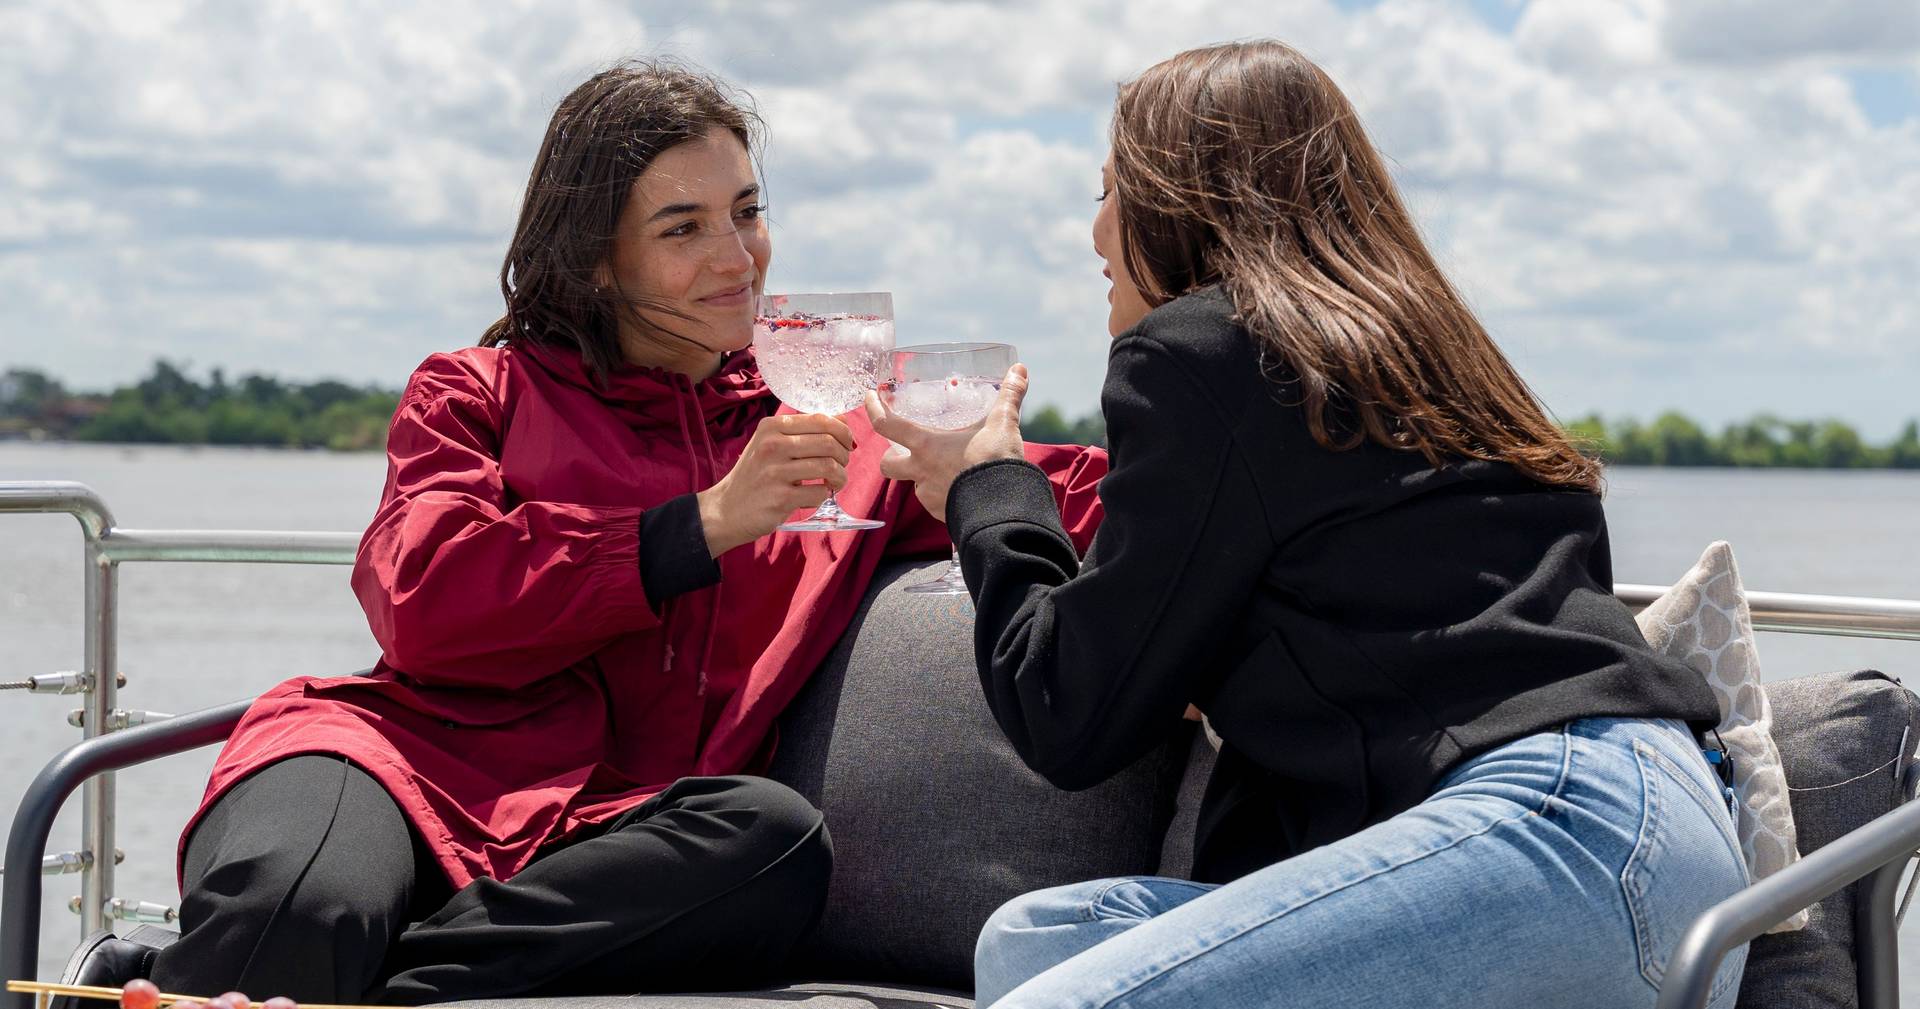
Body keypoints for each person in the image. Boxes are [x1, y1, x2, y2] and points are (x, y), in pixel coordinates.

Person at [61, 60, 1105, 1006]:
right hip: (394, 763)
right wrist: (701, 525)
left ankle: (329, 992)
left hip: (621, 835)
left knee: (774, 842)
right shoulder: (475, 393)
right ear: (598, 263)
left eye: (748, 210)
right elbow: (424, 596)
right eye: (683, 227)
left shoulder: (840, 431)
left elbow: (1109, 502)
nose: (739, 255)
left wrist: (1019, 468)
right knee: (301, 914)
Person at [870, 40, 1748, 1009]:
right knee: (1039, 942)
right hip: (1671, 841)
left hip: (1550, 833)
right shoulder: (1436, 357)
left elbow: (1068, 715)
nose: (1097, 231)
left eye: (1109, 189)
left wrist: (991, 487)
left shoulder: (1196, 347)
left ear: (1179, 198)